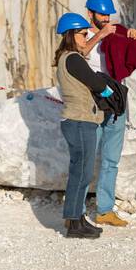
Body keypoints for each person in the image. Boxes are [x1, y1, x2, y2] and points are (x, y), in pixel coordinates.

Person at [79, 0, 136, 227]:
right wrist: (100, 34)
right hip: (93, 102)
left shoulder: (116, 31)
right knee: (87, 157)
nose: (106, 19)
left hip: (115, 101)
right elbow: (79, 54)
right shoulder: (82, 33)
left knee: (111, 159)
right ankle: (77, 210)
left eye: (108, 15)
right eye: (102, 15)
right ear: (90, 13)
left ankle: (105, 209)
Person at [54, 13, 117, 239]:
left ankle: (78, 219)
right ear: (72, 34)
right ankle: (73, 223)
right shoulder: (73, 58)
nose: (85, 37)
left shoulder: (68, 57)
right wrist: (107, 88)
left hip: (79, 121)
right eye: (82, 34)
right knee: (81, 172)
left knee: (81, 172)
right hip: (80, 121)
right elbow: (96, 82)